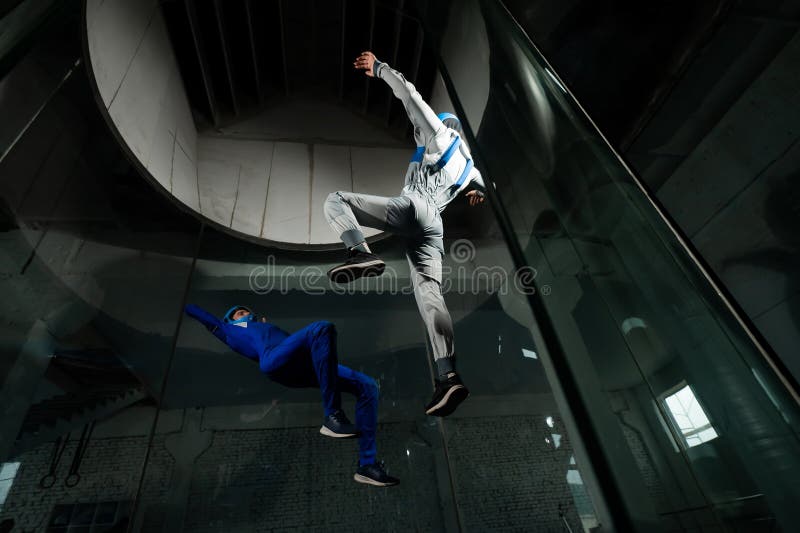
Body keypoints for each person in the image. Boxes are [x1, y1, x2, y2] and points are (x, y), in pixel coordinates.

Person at [324, 51, 486, 417]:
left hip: (416, 206)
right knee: (431, 295)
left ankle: (360, 251)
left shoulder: (440, 133)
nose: (418, 131)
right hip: (435, 229)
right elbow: (481, 181)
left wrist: (381, 69)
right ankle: (448, 374)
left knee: (335, 201)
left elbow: (410, 96)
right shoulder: (468, 164)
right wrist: (480, 190)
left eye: (421, 130)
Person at [184, 303, 399, 486]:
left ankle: (367, 465)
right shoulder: (228, 331)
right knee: (321, 328)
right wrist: (180, 300)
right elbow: (201, 315)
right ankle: (333, 416)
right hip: (275, 362)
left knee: (368, 386)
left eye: (248, 311)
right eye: (240, 312)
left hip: (304, 365)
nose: (246, 313)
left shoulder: (266, 326)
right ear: (229, 320)